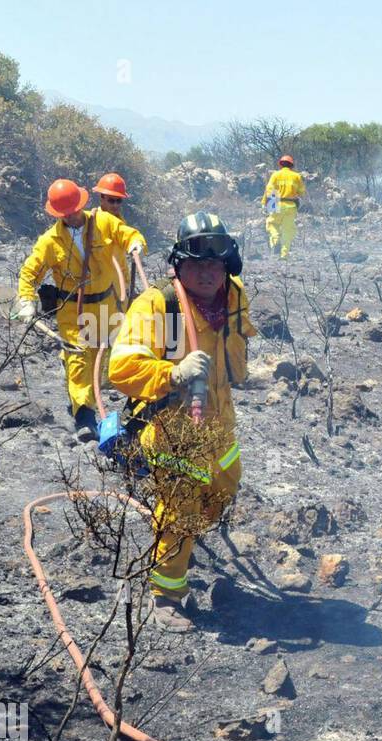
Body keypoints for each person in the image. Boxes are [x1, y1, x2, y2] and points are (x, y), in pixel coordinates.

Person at [108, 212, 254, 631]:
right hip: (173, 426)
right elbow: (121, 367)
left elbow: (238, 345)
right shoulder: (159, 304)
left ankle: (179, 545)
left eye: (215, 264)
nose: (208, 273)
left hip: (220, 423)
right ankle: (167, 594)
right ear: (179, 265)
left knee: (224, 487)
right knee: (180, 510)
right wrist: (172, 372)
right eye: (197, 264)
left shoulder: (234, 294)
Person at [16, 179, 147, 441]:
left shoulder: (103, 223)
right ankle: (85, 417)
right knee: (79, 361)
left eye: (74, 209)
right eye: (65, 213)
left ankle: (136, 410)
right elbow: (30, 273)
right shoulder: (49, 241)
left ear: (82, 204)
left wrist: (135, 244)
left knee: (115, 358)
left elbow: (127, 233)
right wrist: (26, 300)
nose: (71, 216)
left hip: (107, 307)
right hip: (72, 313)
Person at [261, 155, 306, 259]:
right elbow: (302, 192)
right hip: (291, 205)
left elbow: (269, 190)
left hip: (275, 201)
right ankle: (284, 255)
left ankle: (276, 240)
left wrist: (265, 203)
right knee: (287, 231)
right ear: (291, 165)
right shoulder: (296, 176)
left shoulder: (275, 175)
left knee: (271, 223)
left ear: (280, 164)